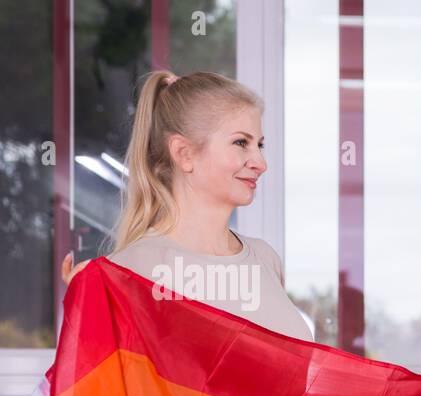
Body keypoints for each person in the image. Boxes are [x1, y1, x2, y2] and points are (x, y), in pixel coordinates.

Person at [63, 71, 313, 341]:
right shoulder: (131, 270)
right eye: (241, 142)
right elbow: (109, 379)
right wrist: (91, 307)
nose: (260, 163)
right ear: (184, 154)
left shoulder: (266, 260)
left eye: (260, 145)